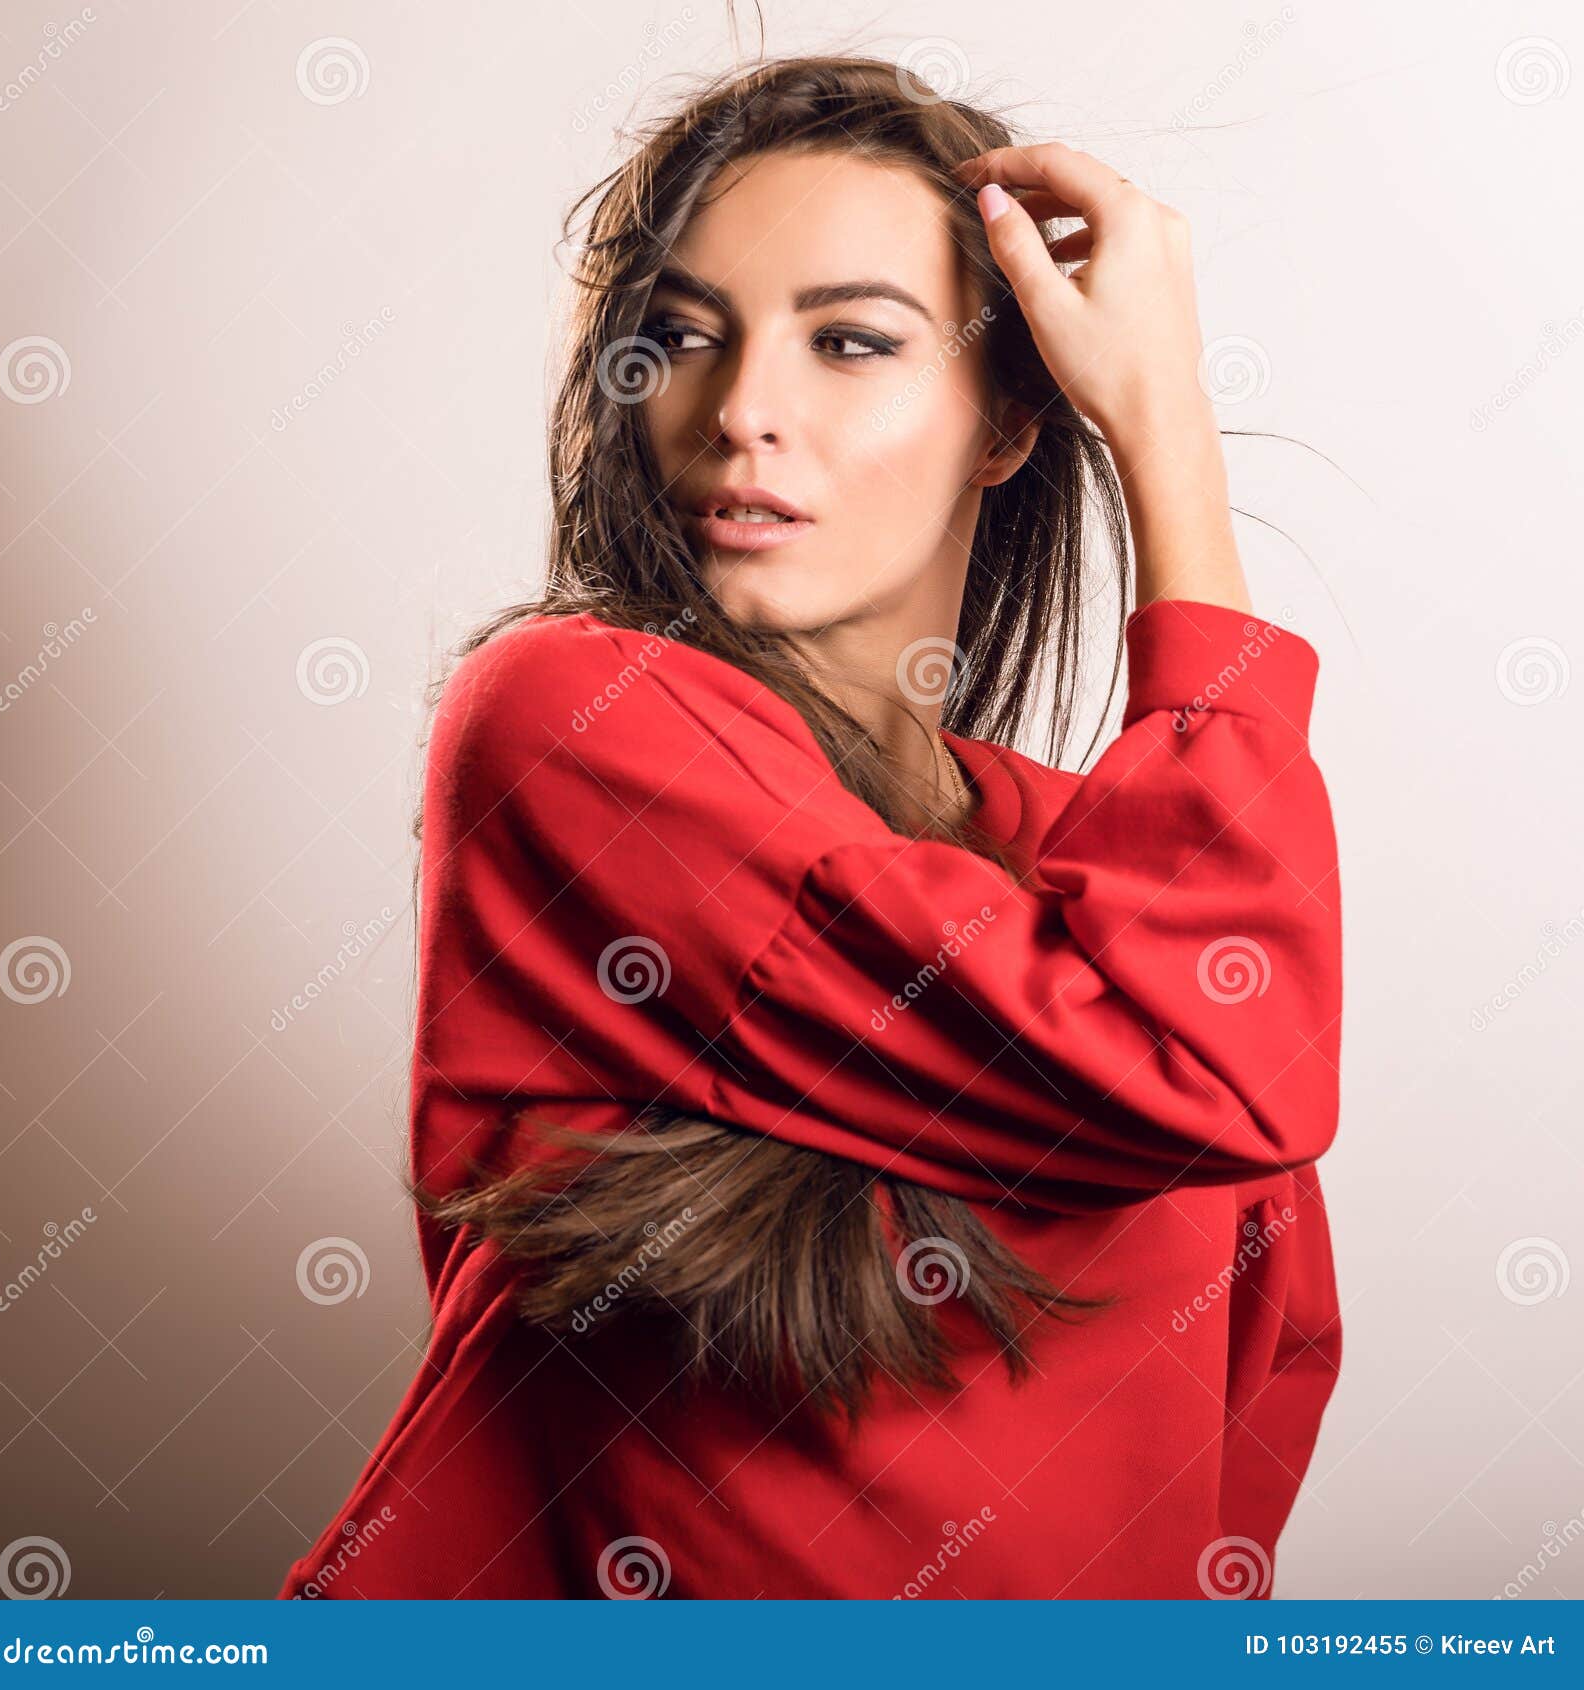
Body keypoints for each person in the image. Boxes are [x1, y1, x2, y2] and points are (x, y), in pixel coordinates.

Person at [275, 55, 1342, 1601]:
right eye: (684, 339)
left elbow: (1270, 1352)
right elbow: (1212, 1075)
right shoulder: (568, 724)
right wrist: (1172, 446)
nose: (741, 411)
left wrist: (1159, 416)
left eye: (851, 341)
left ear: (1009, 419)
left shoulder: (1118, 863)